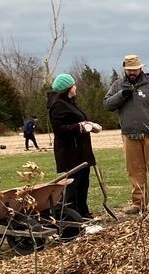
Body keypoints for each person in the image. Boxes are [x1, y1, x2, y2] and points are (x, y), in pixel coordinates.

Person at [104, 54, 149, 214]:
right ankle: (139, 204)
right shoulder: (118, 85)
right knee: (134, 170)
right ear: (125, 70)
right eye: (129, 70)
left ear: (141, 68)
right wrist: (122, 95)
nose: (132, 72)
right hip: (130, 136)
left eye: (135, 69)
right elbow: (107, 105)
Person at [48, 73, 101, 228]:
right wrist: (80, 127)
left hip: (81, 151)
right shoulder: (58, 105)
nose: (76, 87)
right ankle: (70, 217)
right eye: (74, 85)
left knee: (84, 183)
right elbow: (59, 129)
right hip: (70, 153)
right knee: (73, 185)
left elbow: (79, 120)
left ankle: (83, 213)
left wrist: (90, 125)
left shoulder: (70, 103)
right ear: (68, 88)